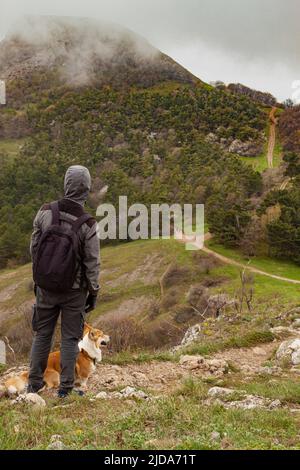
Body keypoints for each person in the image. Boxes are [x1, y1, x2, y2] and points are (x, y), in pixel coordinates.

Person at [28, 165, 100, 398]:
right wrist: (93, 292)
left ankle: (34, 385)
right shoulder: (88, 224)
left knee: (42, 334)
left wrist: (40, 280)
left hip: (46, 287)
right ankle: (66, 389)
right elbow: (92, 262)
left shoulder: (45, 211)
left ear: (66, 185)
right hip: (74, 291)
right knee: (70, 338)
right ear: (86, 190)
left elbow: (34, 249)